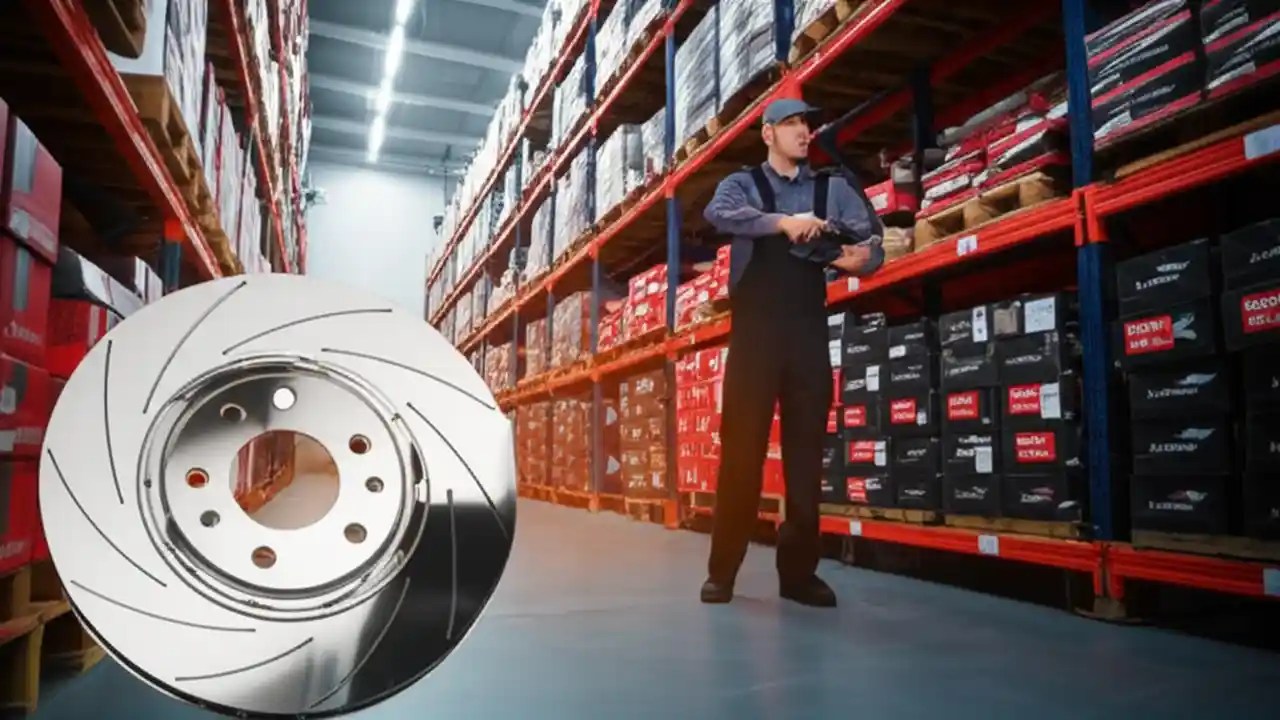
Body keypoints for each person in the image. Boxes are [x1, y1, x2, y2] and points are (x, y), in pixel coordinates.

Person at [700, 98, 883, 606]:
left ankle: (798, 575)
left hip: (807, 330)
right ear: (767, 134)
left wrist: (857, 259)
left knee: (806, 456)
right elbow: (719, 213)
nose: (804, 132)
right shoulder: (744, 185)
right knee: (741, 456)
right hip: (755, 335)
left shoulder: (833, 189)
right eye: (791, 124)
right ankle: (723, 571)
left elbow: (874, 244)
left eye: (807, 122)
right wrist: (782, 223)